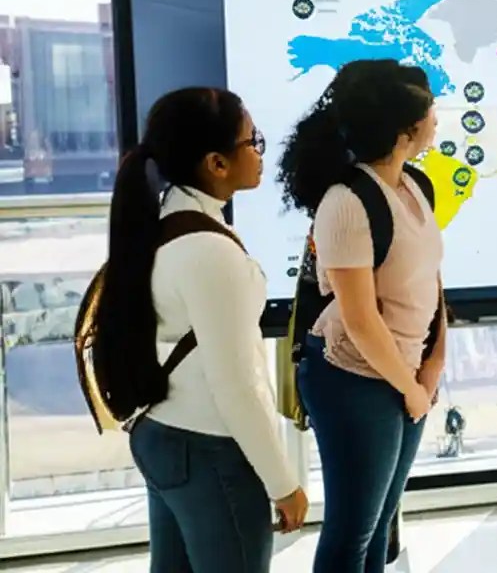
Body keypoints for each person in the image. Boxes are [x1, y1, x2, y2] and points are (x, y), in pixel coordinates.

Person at [92, 87, 307, 572]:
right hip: (210, 449)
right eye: (253, 142)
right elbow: (235, 385)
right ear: (216, 163)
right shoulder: (210, 251)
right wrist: (282, 483)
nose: (259, 154)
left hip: (166, 431)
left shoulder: (168, 219)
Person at [278, 59, 447, 572]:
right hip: (354, 380)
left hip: (402, 376)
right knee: (353, 532)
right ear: (405, 130)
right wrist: (409, 387)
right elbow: (359, 318)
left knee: (378, 527)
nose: (437, 119)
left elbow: (431, 282)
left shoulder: (415, 185)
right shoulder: (346, 202)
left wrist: (433, 363)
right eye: (430, 111)